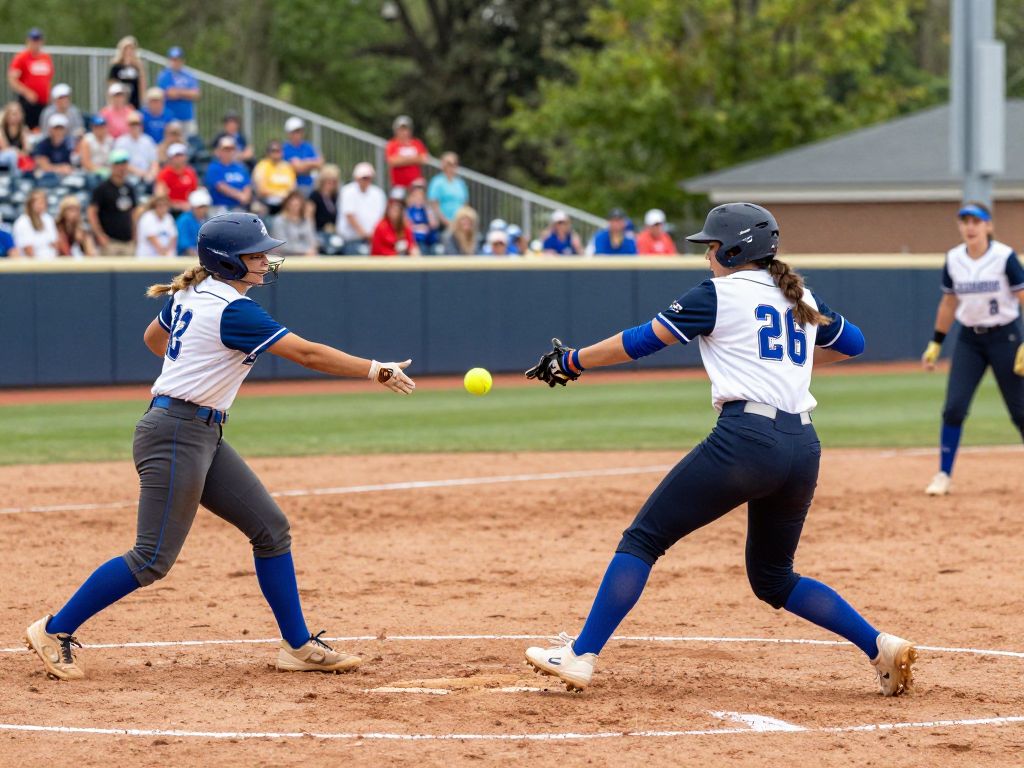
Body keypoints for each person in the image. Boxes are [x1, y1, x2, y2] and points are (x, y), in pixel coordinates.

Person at [522, 202, 917, 697]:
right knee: (773, 578)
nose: (707, 254)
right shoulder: (798, 294)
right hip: (802, 447)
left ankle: (580, 655)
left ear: (734, 249)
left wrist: (573, 361)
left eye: (711, 245)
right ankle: (879, 645)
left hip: (747, 441)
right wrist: (793, 369)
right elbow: (853, 343)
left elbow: (643, 341)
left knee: (644, 539)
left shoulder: (717, 293)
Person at [23, 212, 416, 681]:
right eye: (255, 254)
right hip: (175, 433)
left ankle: (297, 646)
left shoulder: (192, 292)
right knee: (151, 558)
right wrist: (377, 369)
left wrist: (191, 362)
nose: (266, 260)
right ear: (228, 262)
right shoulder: (234, 310)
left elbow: (154, 340)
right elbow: (307, 353)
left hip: (197, 430)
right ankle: (54, 629)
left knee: (271, 530)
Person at [921, 202, 1024, 496]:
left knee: (1020, 412)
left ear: (988, 226)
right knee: (954, 408)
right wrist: (936, 342)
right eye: (964, 221)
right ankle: (943, 474)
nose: (970, 227)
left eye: (976, 221)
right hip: (970, 340)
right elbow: (949, 303)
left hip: (1006, 337)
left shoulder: (1004, 257)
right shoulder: (954, 259)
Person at [88, 149, 137, 255]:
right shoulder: (102, 188)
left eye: (124, 163)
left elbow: (133, 213)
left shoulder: (129, 187)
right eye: (118, 164)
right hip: (110, 242)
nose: (122, 167)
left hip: (127, 241)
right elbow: (92, 213)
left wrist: (134, 235)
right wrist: (100, 235)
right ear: (112, 166)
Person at [7, 28, 53, 130]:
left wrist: (49, 94)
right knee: (27, 128)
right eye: (33, 40)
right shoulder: (21, 57)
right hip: (28, 102)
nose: (35, 43)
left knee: (41, 128)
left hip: (43, 102)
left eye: (38, 40)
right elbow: (12, 79)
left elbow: (48, 79)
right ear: (28, 41)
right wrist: (27, 92)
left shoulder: (46, 57)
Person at [337, 161, 386, 255]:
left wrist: (375, 235)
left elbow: (382, 216)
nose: (366, 180)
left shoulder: (378, 193)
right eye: (363, 178)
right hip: (351, 240)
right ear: (356, 178)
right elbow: (350, 216)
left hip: (374, 239)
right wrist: (365, 235)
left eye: (368, 178)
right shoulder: (347, 191)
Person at [157, 47, 201, 135]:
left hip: (188, 117)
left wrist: (178, 92)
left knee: (191, 144)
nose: (175, 62)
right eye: (173, 60)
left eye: (178, 60)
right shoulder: (164, 75)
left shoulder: (189, 75)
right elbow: (169, 93)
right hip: (171, 118)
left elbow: (196, 94)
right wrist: (187, 93)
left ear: (182, 61)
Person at [204, 136, 252, 213]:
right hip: (220, 207)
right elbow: (220, 186)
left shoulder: (241, 167)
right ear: (219, 151)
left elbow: (247, 186)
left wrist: (245, 197)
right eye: (225, 149)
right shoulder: (214, 167)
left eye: (231, 149)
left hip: (240, 207)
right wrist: (240, 196)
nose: (229, 152)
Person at [370, 186, 418, 257]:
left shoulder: (405, 225)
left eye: (400, 205)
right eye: (393, 206)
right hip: (383, 264)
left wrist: (414, 253)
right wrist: (396, 254)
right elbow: (377, 251)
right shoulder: (381, 226)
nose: (396, 208)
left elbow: (412, 246)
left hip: (401, 262)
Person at [252, 140, 296, 215]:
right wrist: (280, 194)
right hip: (267, 202)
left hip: (286, 202)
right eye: (273, 150)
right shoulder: (262, 166)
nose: (276, 153)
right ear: (268, 153)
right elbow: (261, 191)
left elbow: (293, 187)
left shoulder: (287, 167)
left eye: (278, 150)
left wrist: (286, 196)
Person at [427, 151, 468, 230]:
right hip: (443, 225)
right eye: (449, 163)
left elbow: (465, 204)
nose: (452, 166)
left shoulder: (460, 183)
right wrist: (447, 222)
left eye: (454, 163)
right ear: (443, 165)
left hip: (459, 224)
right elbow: (434, 205)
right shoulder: (437, 182)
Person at [114, 111, 159, 183]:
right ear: (128, 125)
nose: (134, 126)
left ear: (141, 125)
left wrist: (152, 173)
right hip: (127, 176)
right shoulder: (121, 142)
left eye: (137, 124)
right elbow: (120, 163)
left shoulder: (148, 140)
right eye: (132, 124)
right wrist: (141, 173)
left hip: (147, 176)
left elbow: (154, 162)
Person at [13, 189, 58, 259]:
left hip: (51, 263)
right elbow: (28, 250)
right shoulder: (22, 222)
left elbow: (55, 244)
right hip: (31, 265)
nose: (42, 205)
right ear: (30, 204)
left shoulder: (48, 219)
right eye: (38, 202)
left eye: (43, 202)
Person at [385, 115, 428, 188]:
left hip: (415, 185)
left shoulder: (417, 143)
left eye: (406, 129)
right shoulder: (392, 144)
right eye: (401, 129)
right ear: (396, 131)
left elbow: (424, 159)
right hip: (398, 185)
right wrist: (414, 159)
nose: (404, 132)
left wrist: (401, 159)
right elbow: (392, 161)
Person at [155, 142, 199, 213]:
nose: (179, 158)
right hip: (171, 209)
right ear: (170, 158)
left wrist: (191, 204)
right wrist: (176, 205)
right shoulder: (164, 174)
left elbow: (195, 192)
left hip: (189, 208)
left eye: (181, 155)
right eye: (176, 156)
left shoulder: (190, 172)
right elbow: (160, 196)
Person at [282, 117, 322, 195]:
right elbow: (297, 169)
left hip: (309, 184)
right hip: (293, 186)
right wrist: (311, 164)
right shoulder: (284, 148)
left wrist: (303, 163)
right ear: (289, 133)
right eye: (295, 132)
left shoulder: (308, 146)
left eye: (300, 131)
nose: (298, 134)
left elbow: (320, 163)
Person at [271, 190, 318, 256]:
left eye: (297, 205)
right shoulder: (279, 220)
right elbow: (282, 245)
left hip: (306, 257)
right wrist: (304, 251)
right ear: (286, 204)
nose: (294, 208)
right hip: (284, 257)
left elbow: (312, 241)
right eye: (292, 205)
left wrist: (311, 250)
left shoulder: (307, 220)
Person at [108, 36, 146, 110]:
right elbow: (111, 85)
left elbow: (142, 84)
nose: (129, 51)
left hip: (134, 101)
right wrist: (110, 102)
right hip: (120, 101)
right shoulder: (116, 66)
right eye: (126, 49)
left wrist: (143, 100)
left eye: (131, 49)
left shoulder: (137, 66)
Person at [405, 177, 438, 253]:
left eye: (421, 195)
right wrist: (420, 227)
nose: (418, 197)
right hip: (416, 241)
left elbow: (433, 225)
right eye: (415, 195)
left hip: (428, 240)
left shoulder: (427, 209)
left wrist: (426, 209)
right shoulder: (408, 210)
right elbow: (407, 226)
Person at [176, 188, 212, 255]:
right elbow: (184, 245)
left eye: (205, 207)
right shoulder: (184, 220)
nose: (203, 210)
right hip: (185, 257)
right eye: (200, 207)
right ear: (193, 207)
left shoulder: (209, 220)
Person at [307, 163, 339, 232]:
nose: (331, 184)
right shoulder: (314, 196)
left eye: (334, 181)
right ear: (322, 181)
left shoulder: (336, 196)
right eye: (329, 181)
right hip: (318, 231)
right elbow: (309, 217)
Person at [0, 101, 30, 174]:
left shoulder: (23, 130)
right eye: (13, 114)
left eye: (18, 114)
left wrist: (18, 153)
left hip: (18, 159)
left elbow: (26, 150)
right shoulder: (2, 129)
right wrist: (16, 152)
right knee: (11, 155)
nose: (16, 116)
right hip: (3, 158)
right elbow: (5, 149)